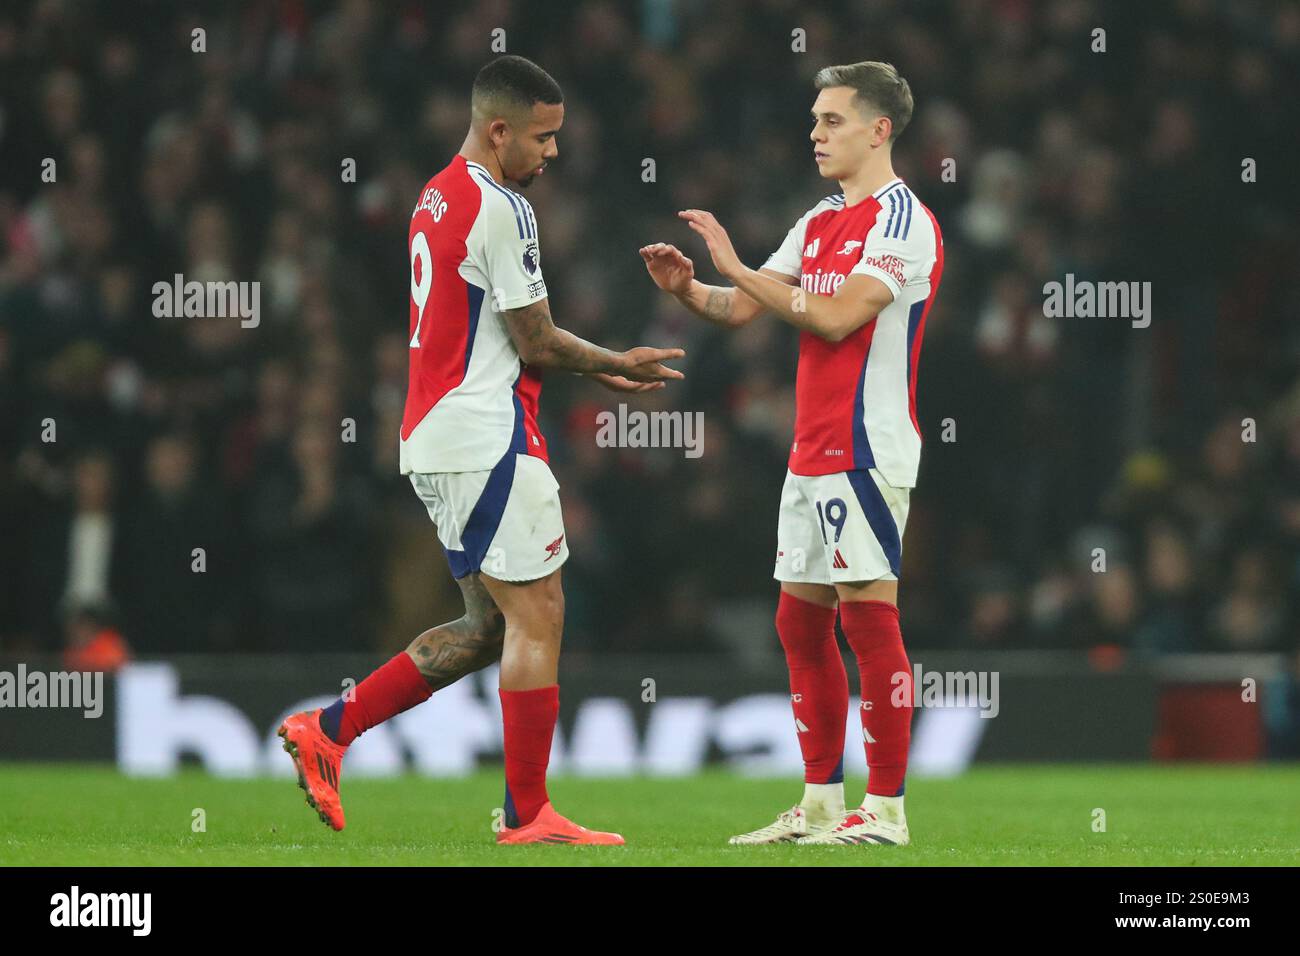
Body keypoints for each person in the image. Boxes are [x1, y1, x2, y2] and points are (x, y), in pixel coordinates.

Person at [278, 55, 684, 846]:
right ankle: (528, 814)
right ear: (500, 131)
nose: (553, 154)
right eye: (544, 137)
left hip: (437, 432)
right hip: (483, 433)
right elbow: (533, 338)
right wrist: (616, 364)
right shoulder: (502, 207)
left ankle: (328, 729)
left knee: (489, 628)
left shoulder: (434, 194)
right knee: (541, 614)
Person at [641, 61, 943, 846]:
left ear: (879, 130)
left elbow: (839, 317)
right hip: (810, 452)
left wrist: (738, 266)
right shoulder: (816, 222)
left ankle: (886, 810)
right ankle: (816, 804)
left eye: (832, 120)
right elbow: (740, 308)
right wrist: (687, 292)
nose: (815, 132)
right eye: (814, 118)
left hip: (868, 450)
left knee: (869, 624)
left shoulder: (902, 221)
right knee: (798, 625)